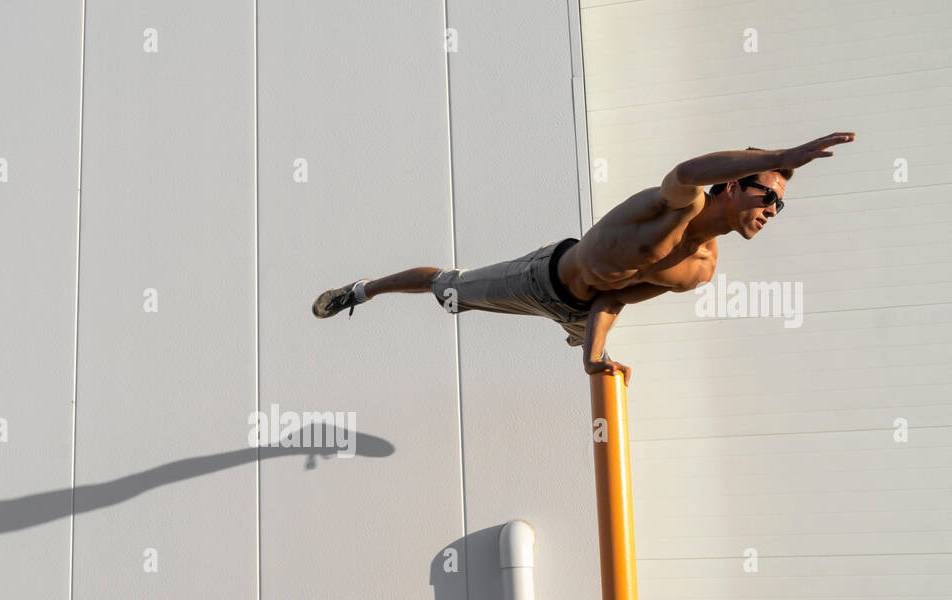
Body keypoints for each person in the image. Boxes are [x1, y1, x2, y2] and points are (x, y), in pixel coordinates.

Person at [312, 133, 856, 387]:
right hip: (544, 277)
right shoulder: (680, 202)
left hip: (584, 309)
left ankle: (589, 355)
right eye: (767, 194)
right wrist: (783, 157)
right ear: (734, 184)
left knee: (602, 367)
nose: (773, 208)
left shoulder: (702, 269)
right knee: (450, 290)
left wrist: (592, 353)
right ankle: (364, 290)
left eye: (781, 204)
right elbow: (689, 168)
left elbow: (617, 294)